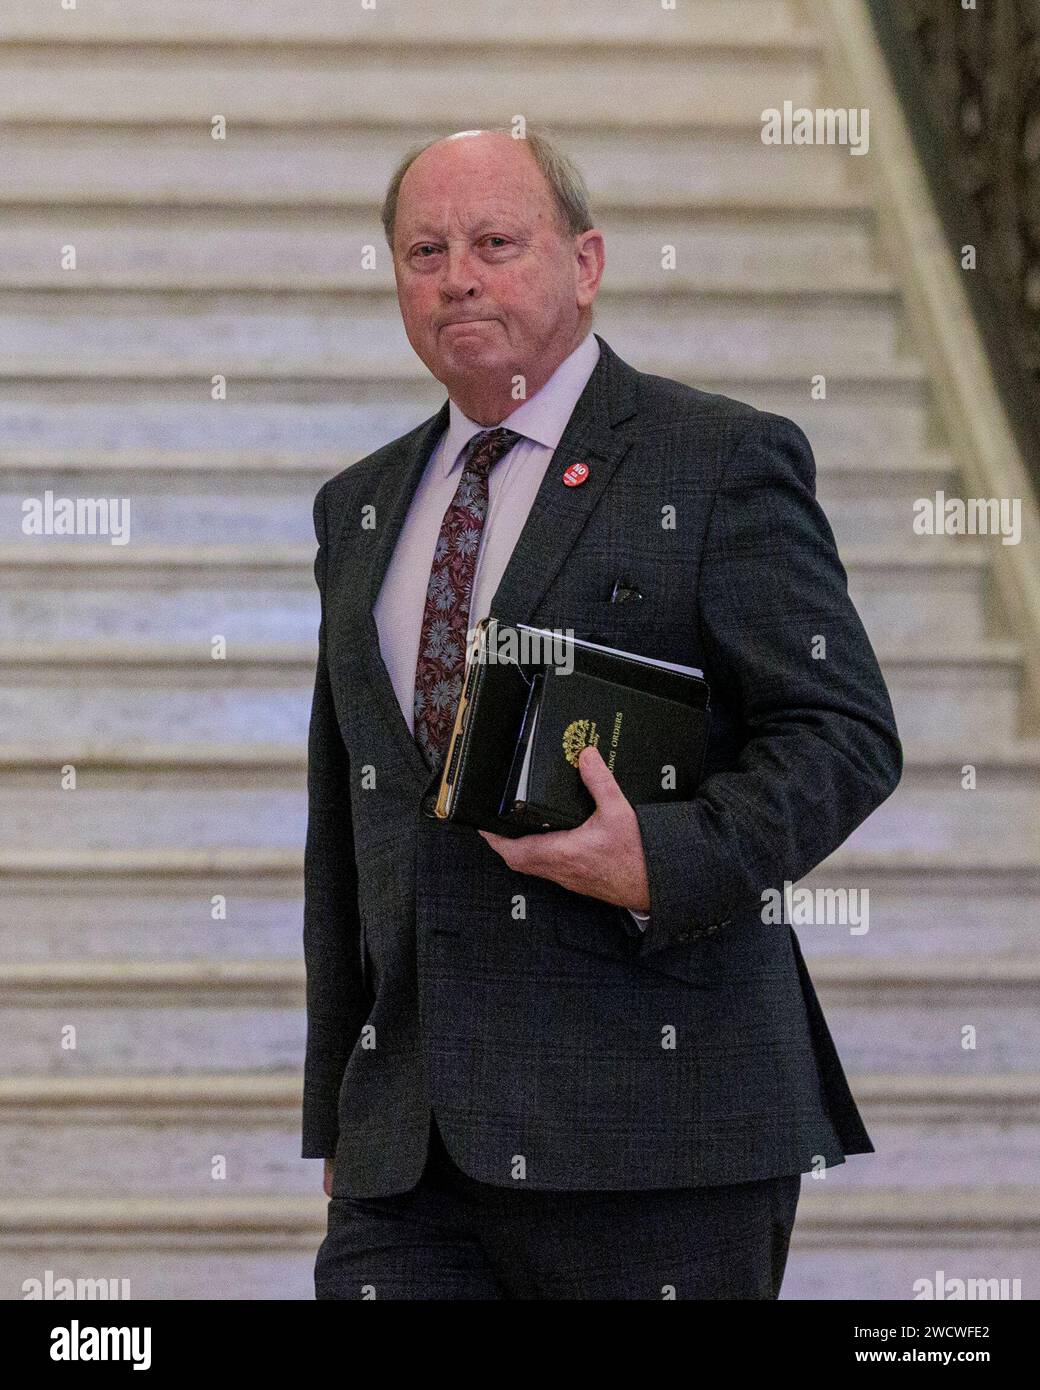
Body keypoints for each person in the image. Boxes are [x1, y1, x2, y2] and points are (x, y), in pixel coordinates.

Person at [304, 128, 901, 1299]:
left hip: (656, 1131)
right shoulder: (358, 507)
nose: (456, 276)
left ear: (585, 261)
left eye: (493, 242)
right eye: (423, 250)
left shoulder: (713, 460)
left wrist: (662, 861)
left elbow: (842, 733)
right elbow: (346, 825)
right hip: (409, 1155)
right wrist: (343, 1103)